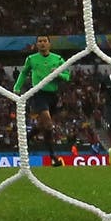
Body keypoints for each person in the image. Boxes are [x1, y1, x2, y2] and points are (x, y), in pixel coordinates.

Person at [13, 35, 71, 166]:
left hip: (53, 95)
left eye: (45, 41)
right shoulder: (31, 59)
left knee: (42, 125)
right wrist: (17, 87)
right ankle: (53, 157)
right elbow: (23, 73)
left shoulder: (58, 59)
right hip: (38, 94)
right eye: (40, 41)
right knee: (48, 124)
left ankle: (26, 140)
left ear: (49, 44)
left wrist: (58, 73)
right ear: (36, 45)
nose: (42, 43)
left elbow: (67, 77)